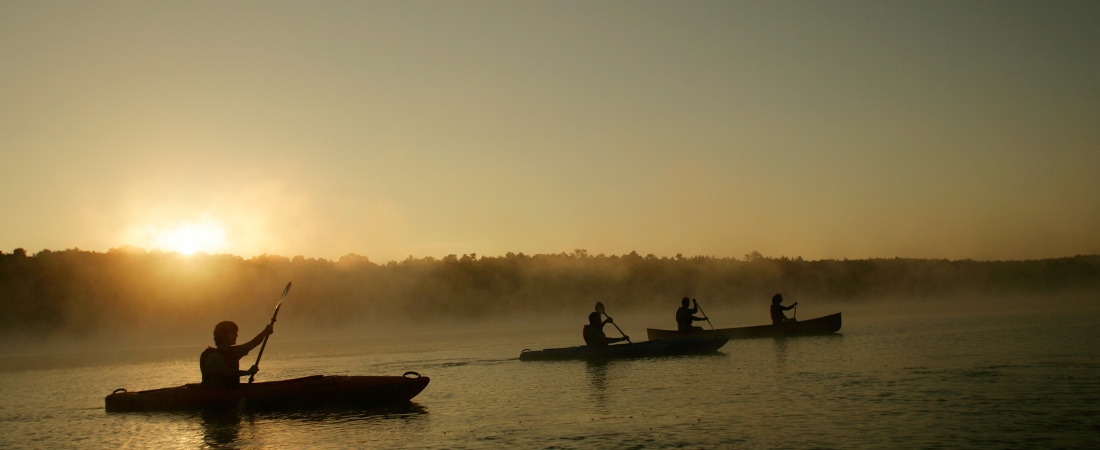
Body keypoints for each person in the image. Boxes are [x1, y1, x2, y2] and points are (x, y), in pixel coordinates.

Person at [200, 320, 274, 386]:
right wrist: (247, 372)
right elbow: (225, 372)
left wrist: (265, 332)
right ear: (223, 336)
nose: (236, 335)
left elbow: (253, 343)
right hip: (216, 393)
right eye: (233, 333)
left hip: (230, 391)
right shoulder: (213, 356)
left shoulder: (233, 351)